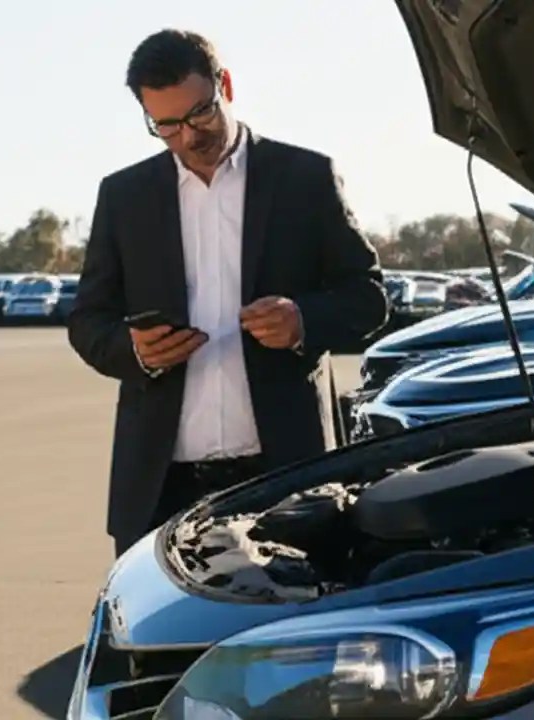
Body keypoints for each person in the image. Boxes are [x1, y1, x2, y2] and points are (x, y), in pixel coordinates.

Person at [68, 29, 388, 557]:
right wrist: (134, 350)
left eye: (200, 114)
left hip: (287, 473)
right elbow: (88, 321)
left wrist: (303, 319)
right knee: (164, 640)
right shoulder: (124, 196)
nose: (189, 136)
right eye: (165, 125)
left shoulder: (305, 178)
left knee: (295, 635)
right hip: (160, 487)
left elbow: (369, 294)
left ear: (226, 86)